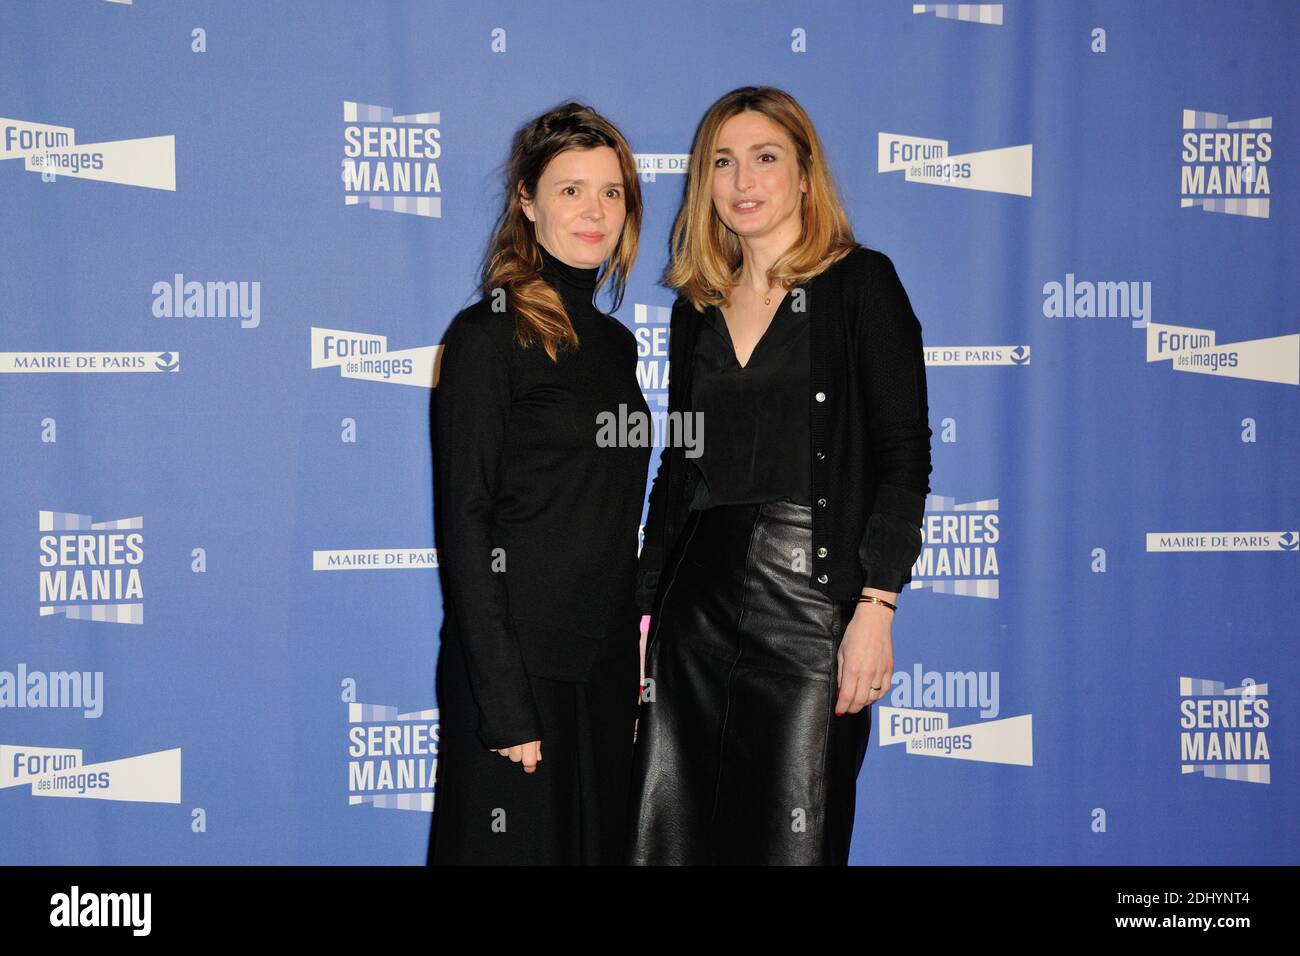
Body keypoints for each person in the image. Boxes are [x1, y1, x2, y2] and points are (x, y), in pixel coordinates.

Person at [627, 86, 933, 865]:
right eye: (722, 163)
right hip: (695, 602)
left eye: (766, 157)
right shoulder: (696, 307)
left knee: (796, 836)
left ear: (804, 174)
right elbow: (678, 466)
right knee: (674, 835)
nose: (742, 181)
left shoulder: (863, 284)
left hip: (813, 602)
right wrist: (644, 613)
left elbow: (903, 455)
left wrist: (876, 604)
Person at [430, 102, 649, 865]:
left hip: (603, 673)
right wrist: (504, 701)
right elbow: (467, 518)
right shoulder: (490, 332)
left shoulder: (616, 346)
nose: (595, 211)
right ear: (526, 200)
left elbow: (611, 517)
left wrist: (633, 669)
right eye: (570, 189)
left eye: (612, 192)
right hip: (516, 671)